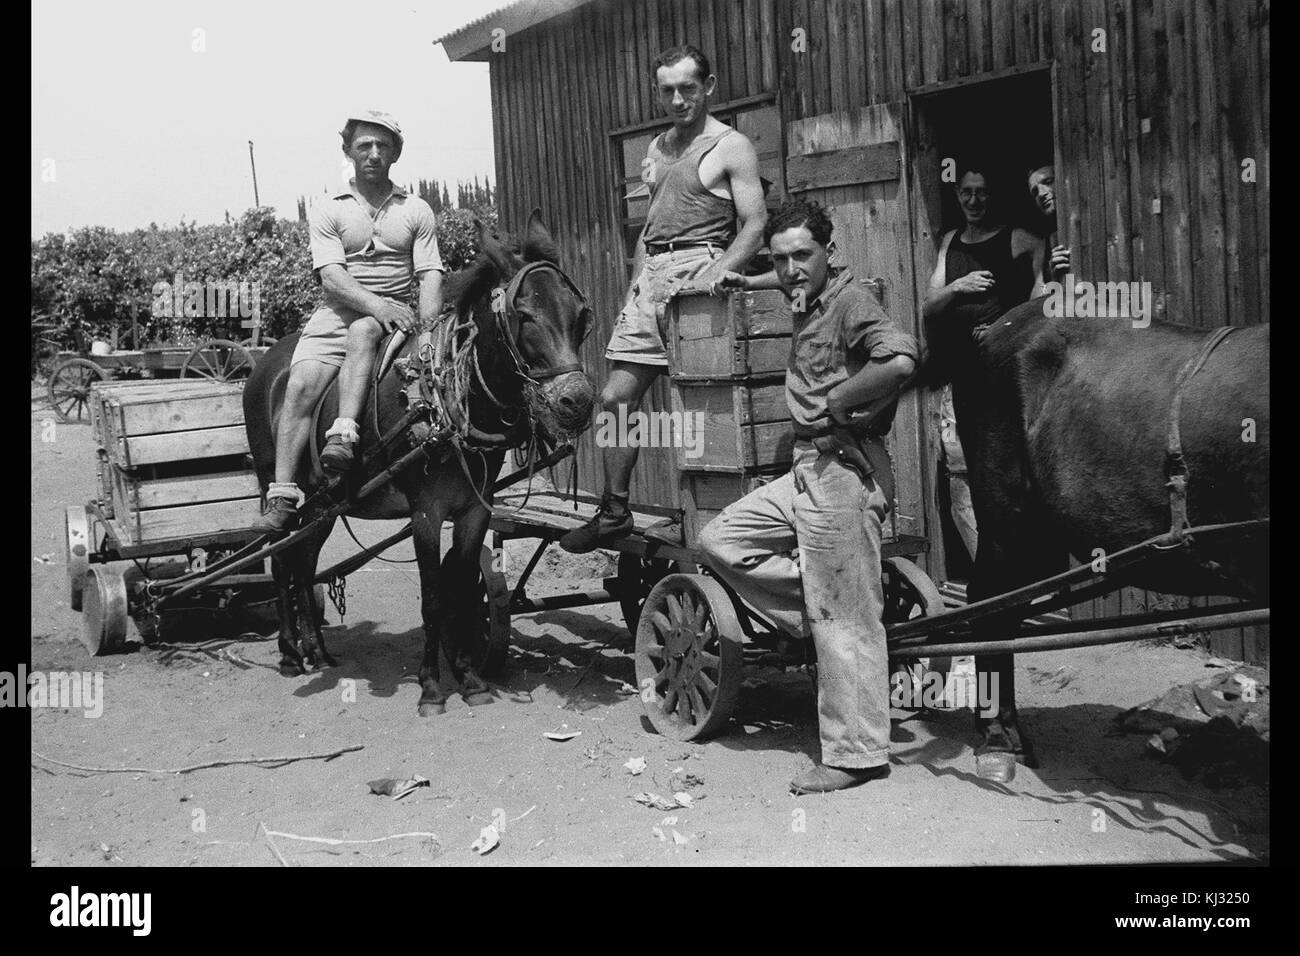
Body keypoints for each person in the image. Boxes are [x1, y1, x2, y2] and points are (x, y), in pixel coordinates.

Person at [700, 199, 918, 794]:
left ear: (830, 254)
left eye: (804, 255)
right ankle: (833, 613)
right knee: (718, 539)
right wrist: (748, 277)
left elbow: (900, 360)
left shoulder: (851, 303)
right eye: (782, 259)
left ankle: (855, 756)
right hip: (803, 470)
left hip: (842, 469)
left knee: (845, 615)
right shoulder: (805, 295)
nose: (792, 269)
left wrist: (842, 400)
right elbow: (784, 274)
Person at [559, 44, 767, 553]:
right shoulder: (655, 148)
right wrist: (635, 282)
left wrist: (715, 273)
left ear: (709, 87)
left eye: (687, 89)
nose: (677, 99)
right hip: (653, 274)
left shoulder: (731, 145)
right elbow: (649, 225)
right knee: (614, 400)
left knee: (702, 404)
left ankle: (719, 516)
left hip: (701, 272)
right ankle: (614, 511)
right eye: (667, 90)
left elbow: (756, 224)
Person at [254, 111, 445, 533]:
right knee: (299, 386)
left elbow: (430, 272)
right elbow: (332, 278)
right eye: (364, 146)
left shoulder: (416, 209)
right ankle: (283, 494)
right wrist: (376, 306)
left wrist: (429, 329)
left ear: (396, 153)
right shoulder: (329, 209)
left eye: (383, 146)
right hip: (336, 315)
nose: (373, 154)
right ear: (348, 152)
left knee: (433, 381)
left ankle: (349, 437)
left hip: (398, 316)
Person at [922, 162, 1040, 565]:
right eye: (966, 192)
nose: (974, 200)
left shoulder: (1016, 238)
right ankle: (986, 570)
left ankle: (1018, 569)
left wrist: (1006, 327)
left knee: (1006, 471)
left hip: (1001, 377)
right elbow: (930, 306)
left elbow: (1042, 291)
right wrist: (958, 286)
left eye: (982, 192)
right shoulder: (951, 240)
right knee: (959, 470)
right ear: (957, 196)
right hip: (958, 374)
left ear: (993, 196)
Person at [1027, 164, 1071, 286]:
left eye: (1048, 182)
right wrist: (1054, 277)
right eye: (1035, 192)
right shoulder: (1049, 240)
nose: (1041, 194)